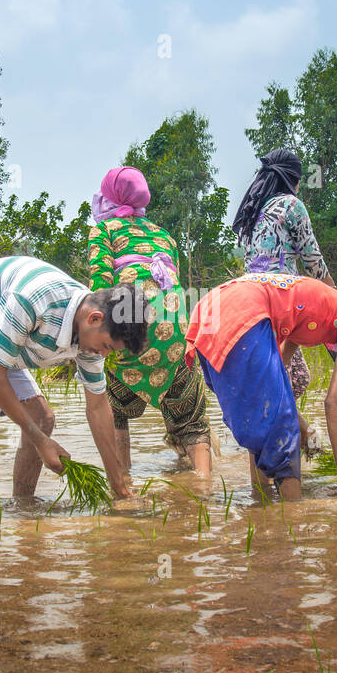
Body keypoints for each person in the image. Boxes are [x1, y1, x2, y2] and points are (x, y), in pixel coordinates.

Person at [0, 255, 149, 513]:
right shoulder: (34, 299)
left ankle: (22, 510)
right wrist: (40, 441)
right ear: (94, 318)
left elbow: (98, 407)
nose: (103, 355)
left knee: (41, 418)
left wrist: (119, 489)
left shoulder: (90, 337)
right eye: (106, 347)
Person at [184, 271, 337, 500]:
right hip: (244, 310)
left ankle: (261, 503)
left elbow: (273, 386)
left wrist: (307, 430)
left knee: (261, 414)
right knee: (282, 429)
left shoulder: (324, 302)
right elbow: (334, 400)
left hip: (211, 306)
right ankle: (293, 515)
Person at [86, 166, 212, 476]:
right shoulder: (164, 234)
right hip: (179, 333)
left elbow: (100, 288)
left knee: (115, 413)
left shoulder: (104, 230)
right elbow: (172, 283)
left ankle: (123, 486)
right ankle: (205, 488)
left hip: (131, 325)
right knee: (192, 423)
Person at [231, 148, 335, 450]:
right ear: (293, 180)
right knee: (293, 377)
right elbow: (314, 260)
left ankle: (297, 438)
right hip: (282, 301)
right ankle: (297, 440)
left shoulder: (254, 208)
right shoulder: (292, 204)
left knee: (291, 375)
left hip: (251, 302)